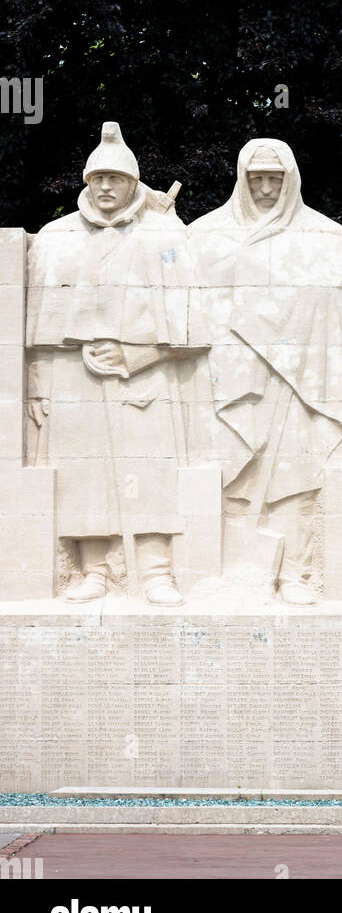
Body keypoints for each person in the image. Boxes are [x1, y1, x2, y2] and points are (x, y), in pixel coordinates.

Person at [25, 122, 204, 605]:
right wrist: (39, 385)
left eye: (117, 179)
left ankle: (155, 572)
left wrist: (140, 354)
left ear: (133, 184)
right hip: (72, 378)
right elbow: (37, 324)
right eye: (98, 178)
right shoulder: (55, 237)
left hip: (145, 376)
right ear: (85, 182)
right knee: (83, 475)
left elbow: (190, 318)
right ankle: (96, 571)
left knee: (151, 471)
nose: (106, 187)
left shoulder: (163, 234)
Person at [187, 139, 342, 603]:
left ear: (290, 179)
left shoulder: (325, 235)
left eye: (273, 178)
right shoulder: (206, 235)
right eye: (254, 178)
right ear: (240, 179)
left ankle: (294, 573)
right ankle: (238, 569)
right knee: (235, 474)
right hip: (232, 380)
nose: (263, 187)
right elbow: (186, 299)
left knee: (297, 474)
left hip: (301, 379)